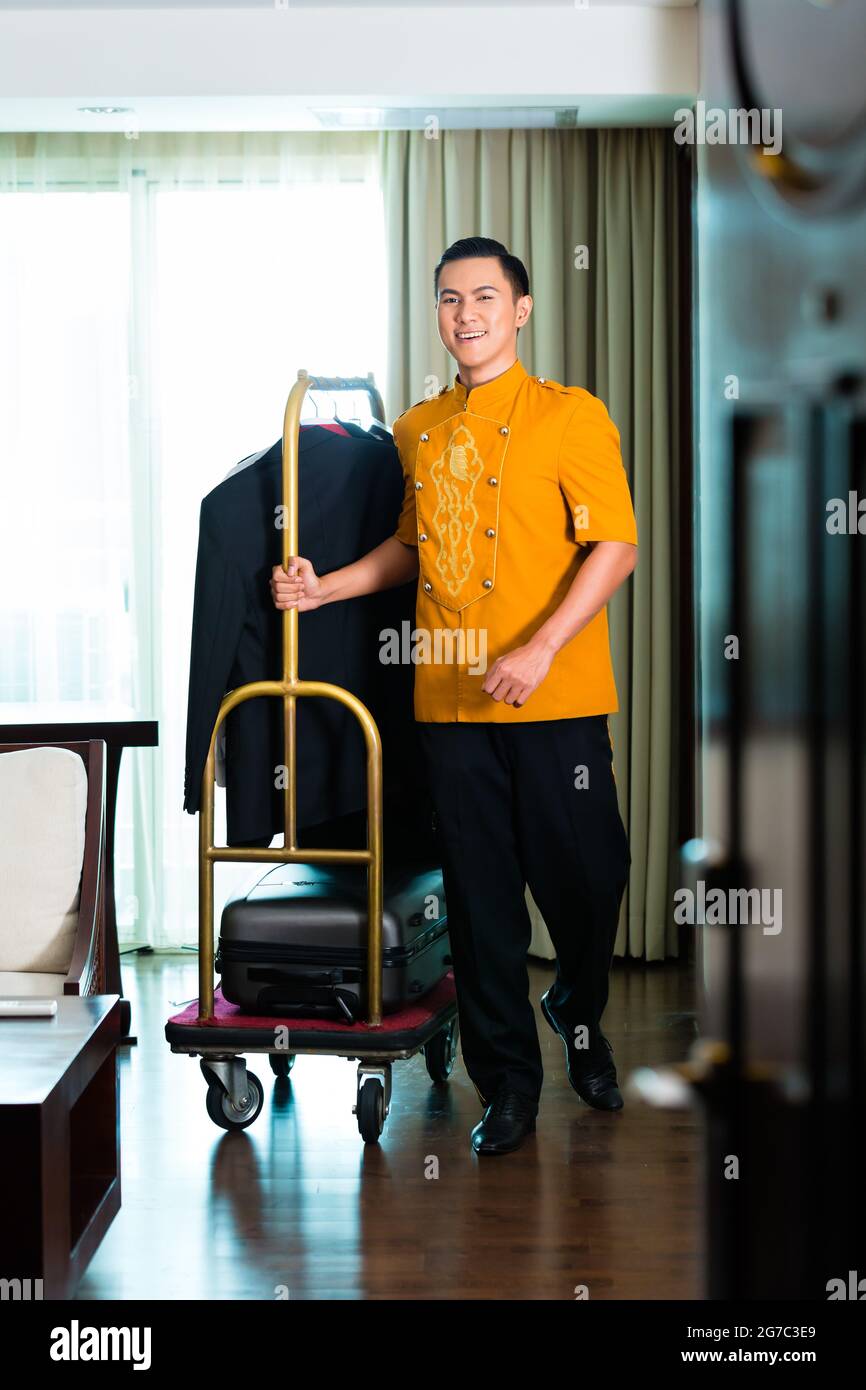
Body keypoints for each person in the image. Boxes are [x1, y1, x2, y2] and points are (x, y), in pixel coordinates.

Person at [271, 236, 638, 1155]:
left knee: (590, 885)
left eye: (483, 296)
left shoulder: (572, 416)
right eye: (448, 298)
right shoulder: (419, 430)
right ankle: (506, 1088)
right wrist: (329, 585)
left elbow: (615, 546)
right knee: (480, 908)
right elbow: (412, 547)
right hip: (450, 704)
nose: (465, 313)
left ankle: (578, 1012)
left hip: (555, 700)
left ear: (519, 309)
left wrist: (544, 646)